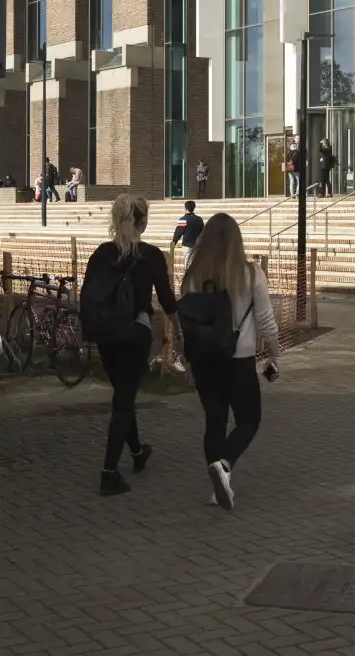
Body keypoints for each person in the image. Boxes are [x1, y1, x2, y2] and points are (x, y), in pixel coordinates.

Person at [178, 212, 280, 511]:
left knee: (215, 421)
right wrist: (275, 353)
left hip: (204, 360)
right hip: (238, 360)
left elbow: (186, 321)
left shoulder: (193, 274)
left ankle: (218, 487)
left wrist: (187, 357)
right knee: (249, 420)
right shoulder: (250, 273)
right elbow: (265, 319)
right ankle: (224, 465)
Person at [80, 193, 179, 496]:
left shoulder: (102, 254)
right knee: (123, 401)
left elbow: (88, 294)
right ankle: (109, 473)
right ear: (141, 222)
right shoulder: (151, 256)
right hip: (135, 334)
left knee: (124, 395)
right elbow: (167, 300)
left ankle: (137, 452)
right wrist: (180, 331)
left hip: (106, 335)